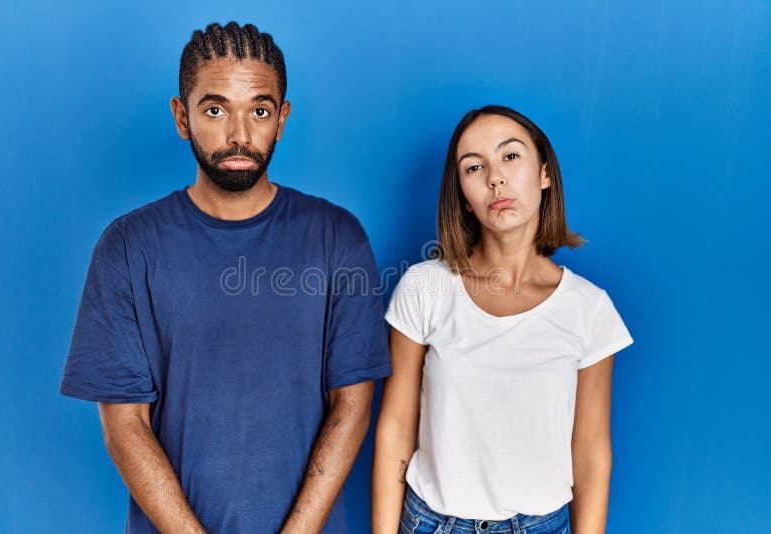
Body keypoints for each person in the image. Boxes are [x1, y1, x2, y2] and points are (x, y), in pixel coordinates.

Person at [59, 22, 391, 533]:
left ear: (281, 119)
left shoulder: (337, 238)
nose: (240, 134)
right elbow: (124, 424)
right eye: (216, 110)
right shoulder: (126, 247)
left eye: (259, 111)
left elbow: (352, 405)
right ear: (182, 117)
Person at [372, 106, 634, 534]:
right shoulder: (423, 288)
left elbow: (590, 452)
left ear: (544, 173)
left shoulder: (588, 309)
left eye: (510, 156)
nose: (495, 178)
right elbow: (395, 430)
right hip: (431, 524)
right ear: (463, 195)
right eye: (474, 167)